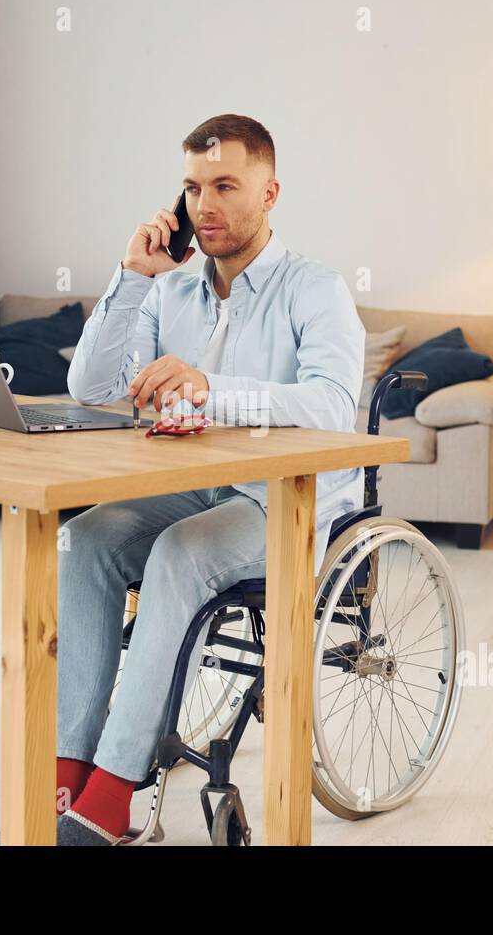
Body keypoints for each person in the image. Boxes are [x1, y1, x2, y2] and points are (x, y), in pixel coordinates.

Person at [54, 113, 365, 845]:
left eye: (226, 185)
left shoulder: (314, 289)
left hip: (285, 500)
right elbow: (93, 386)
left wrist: (208, 386)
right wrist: (131, 276)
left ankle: (109, 795)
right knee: (87, 538)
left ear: (270, 191)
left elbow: (330, 406)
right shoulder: (171, 292)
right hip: (199, 487)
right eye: (193, 188)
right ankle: (65, 774)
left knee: (181, 553)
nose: (205, 205)